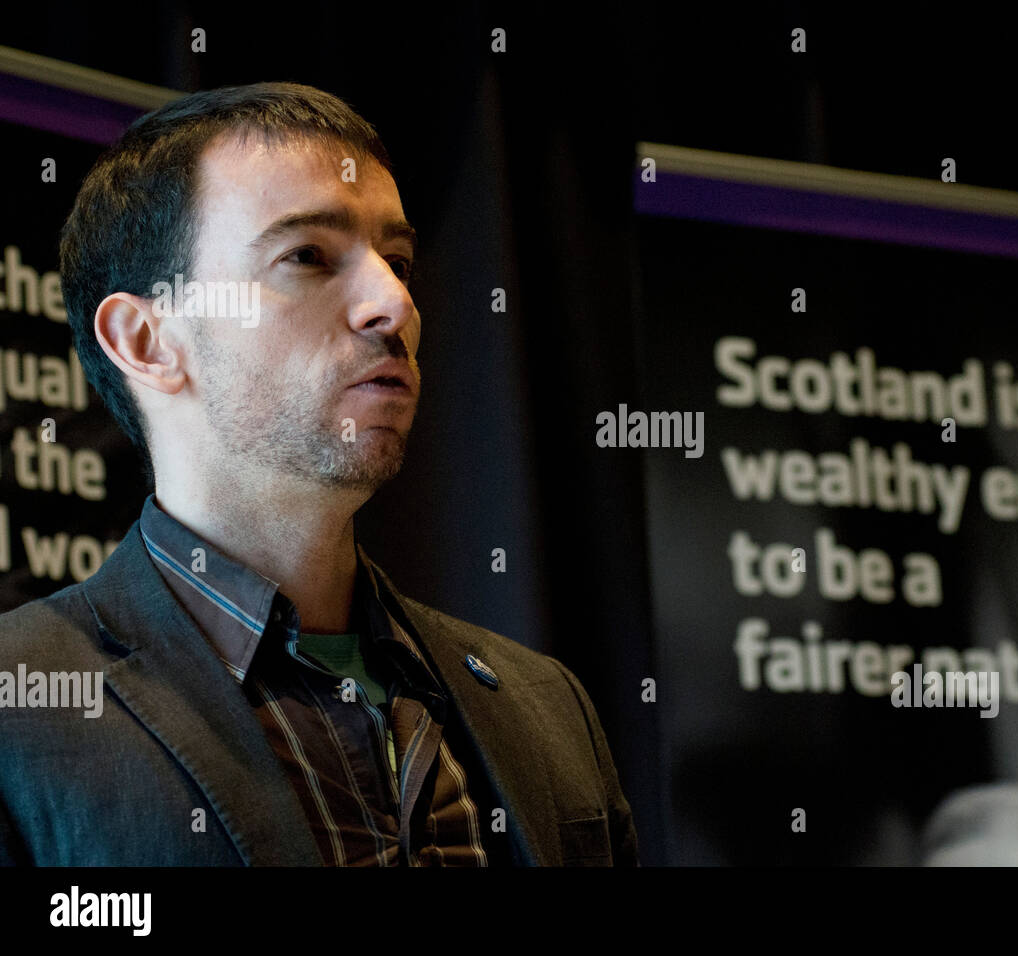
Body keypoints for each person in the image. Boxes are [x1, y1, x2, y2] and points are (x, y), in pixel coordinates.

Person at [0, 82, 638, 867]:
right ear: (148, 341)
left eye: (398, 260)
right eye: (306, 256)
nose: (394, 304)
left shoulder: (548, 706)